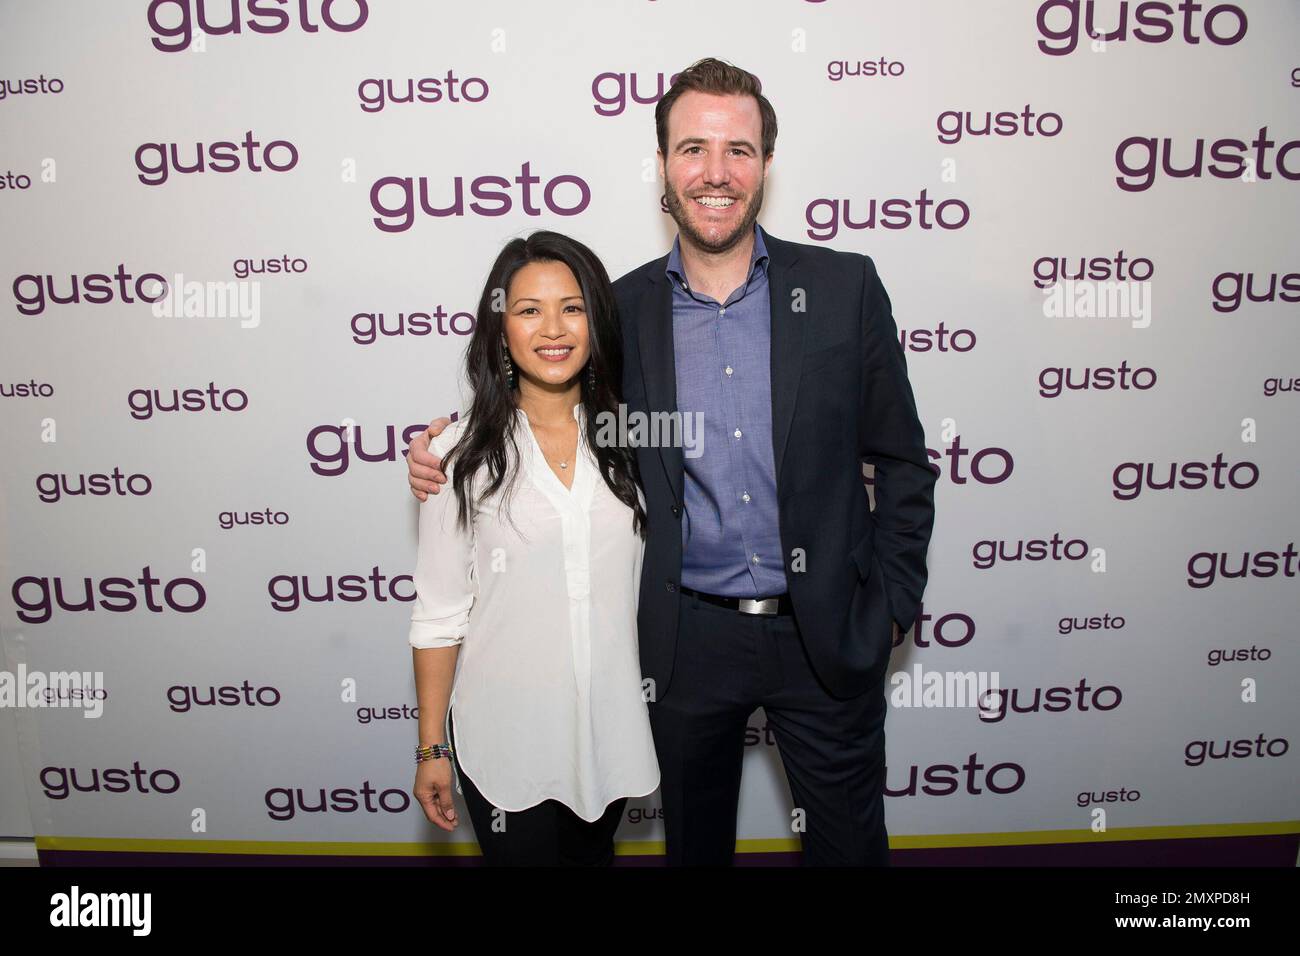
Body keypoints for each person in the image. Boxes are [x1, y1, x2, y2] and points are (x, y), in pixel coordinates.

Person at [408, 58, 937, 865]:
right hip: (683, 648)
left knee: (852, 854)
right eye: (693, 149)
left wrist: (892, 603)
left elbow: (903, 462)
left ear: (765, 164)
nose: (715, 173)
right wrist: (444, 448)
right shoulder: (618, 311)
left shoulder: (842, 288)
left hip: (829, 633)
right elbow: (542, 403)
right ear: (663, 166)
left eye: (739, 150)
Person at [407, 230, 659, 866]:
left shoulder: (637, 442)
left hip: (607, 735)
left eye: (572, 307)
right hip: (503, 740)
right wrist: (432, 747)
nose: (554, 328)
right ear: (500, 331)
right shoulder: (454, 455)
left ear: (596, 321)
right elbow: (439, 614)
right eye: (528, 310)